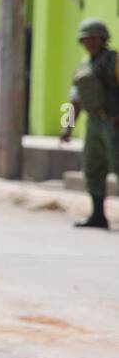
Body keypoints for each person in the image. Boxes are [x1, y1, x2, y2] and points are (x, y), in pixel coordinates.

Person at [62, 17, 119, 229]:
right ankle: (98, 215)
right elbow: (74, 100)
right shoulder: (82, 68)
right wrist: (67, 126)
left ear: (103, 39)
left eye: (94, 38)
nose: (91, 43)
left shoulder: (114, 61)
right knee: (93, 169)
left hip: (114, 122)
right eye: (86, 39)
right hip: (94, 123)